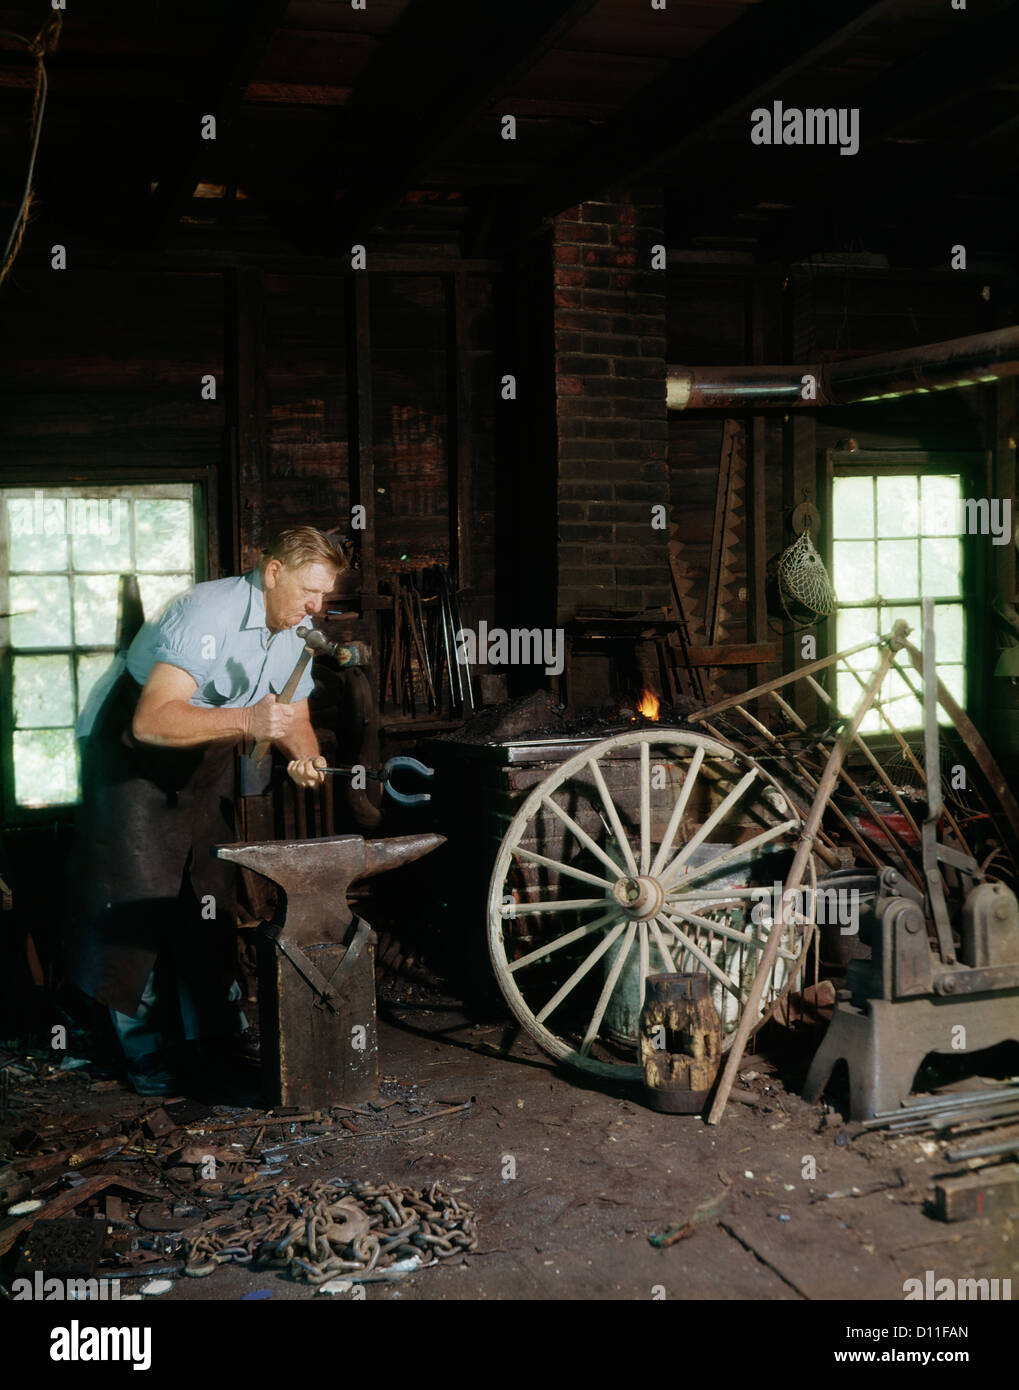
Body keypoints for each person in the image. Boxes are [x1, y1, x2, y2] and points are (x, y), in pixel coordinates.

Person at [67, 527, 343, 1094]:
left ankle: (209, 1036)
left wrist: (307, 759)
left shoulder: (293, 630)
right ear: (272, 573)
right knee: (138, 899)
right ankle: (140, 1054)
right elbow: (151, 720)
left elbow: (295, 715)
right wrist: (246, 722)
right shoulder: (205, 613)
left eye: (325, 595)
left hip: (200, 760)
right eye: (309, 592)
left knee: (207, 894)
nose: (317, 607)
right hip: (132, 759)